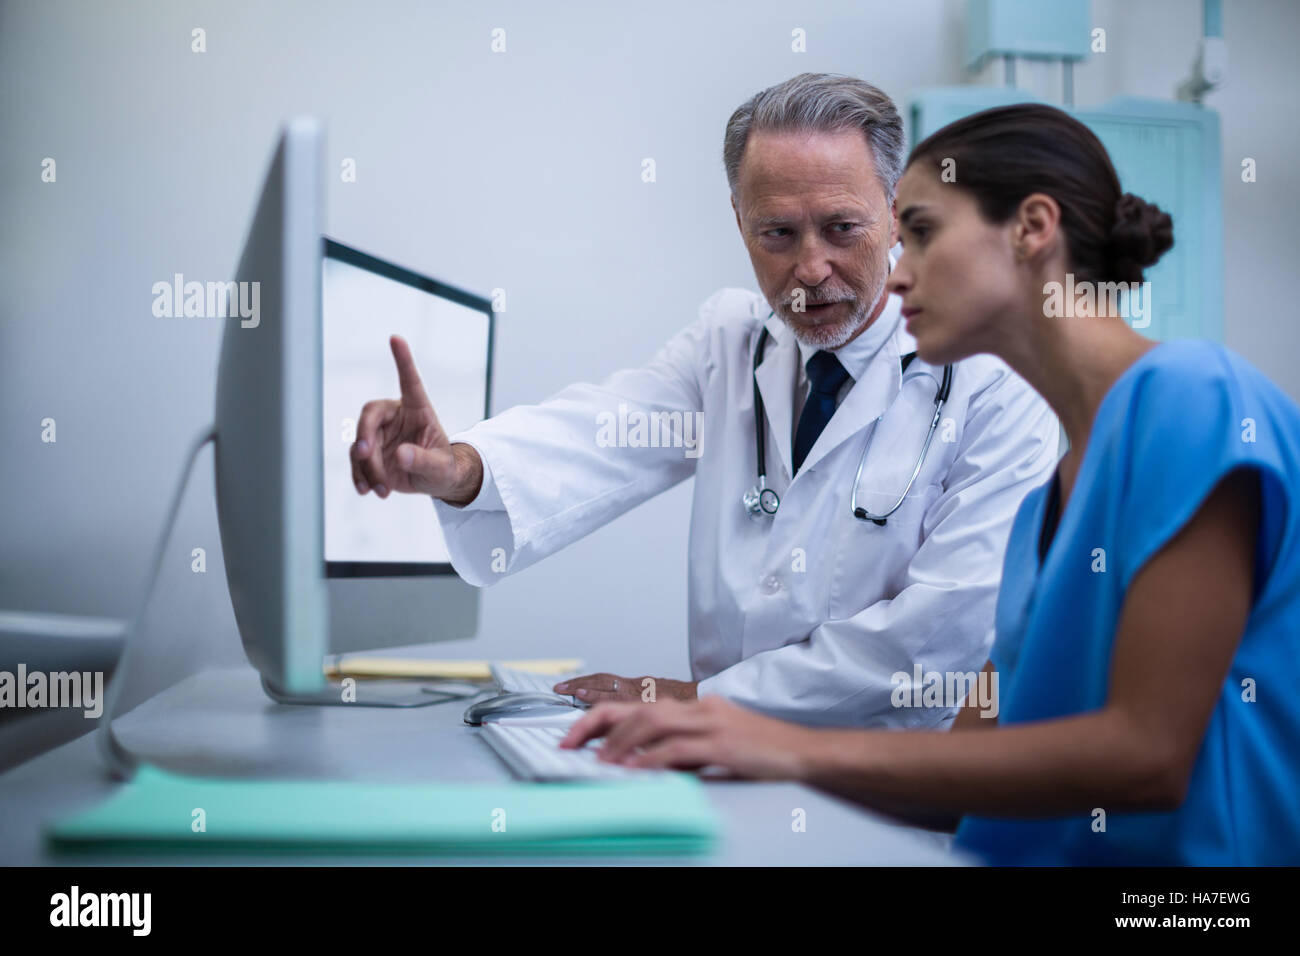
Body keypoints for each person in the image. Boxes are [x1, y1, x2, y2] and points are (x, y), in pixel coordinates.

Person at [562, 102, 1300, 866]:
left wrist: (778, 743)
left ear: (1032, 228)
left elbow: (1146, 755)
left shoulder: (1194, 399)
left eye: (919, 232)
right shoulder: (1049, 504)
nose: (897, 267)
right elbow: (963, 778)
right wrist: (713, 749)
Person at [351, 74, 1058, 728]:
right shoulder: (732, 340)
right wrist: (462, 468)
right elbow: (603, 436)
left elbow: (939, 637)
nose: (810, 270)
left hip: (886, 797)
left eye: (842, 228)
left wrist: (697, 701)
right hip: (720, 766)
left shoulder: (995, 379)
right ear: (738, 218)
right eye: (777, 233)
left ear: (897, 207)